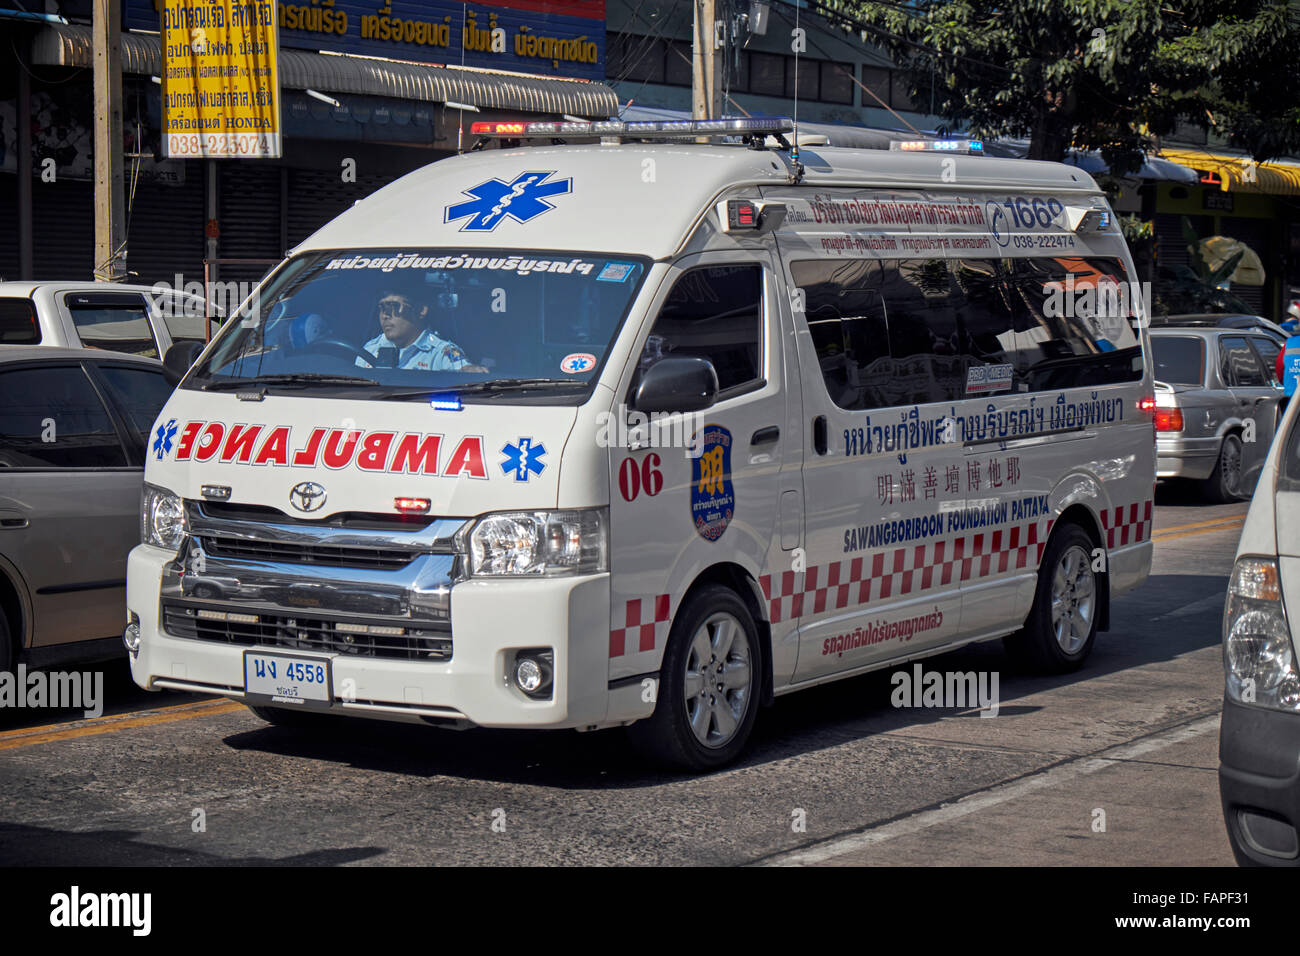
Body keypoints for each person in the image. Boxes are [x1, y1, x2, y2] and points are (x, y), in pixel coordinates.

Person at [357, 287, 486, 372]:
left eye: (393, 307)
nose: (385, 315)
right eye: (382, 308)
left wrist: (469, 370)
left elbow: (463, 369)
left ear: (421, 310)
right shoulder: (370, 349)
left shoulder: (442, 351)